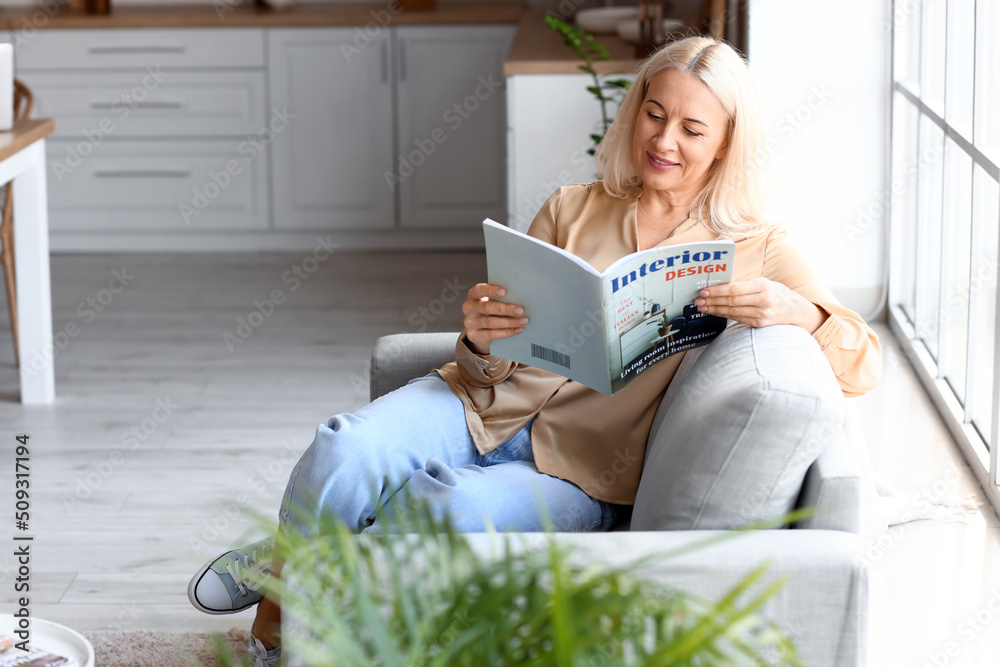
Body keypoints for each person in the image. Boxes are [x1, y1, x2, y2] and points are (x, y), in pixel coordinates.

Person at [187, 35, 881, 666]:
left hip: (581, 473)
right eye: (654, 113)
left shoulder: (757, 247)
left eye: (692, 128)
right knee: (343, 447)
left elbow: (863, 359)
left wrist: (798, 309)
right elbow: (492, 359)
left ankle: (302, 575)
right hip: (479, 404)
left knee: (443, 512)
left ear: (728, 142)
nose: (665, 139)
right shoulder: (572, 207)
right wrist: (481, 337)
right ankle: (279, 616)